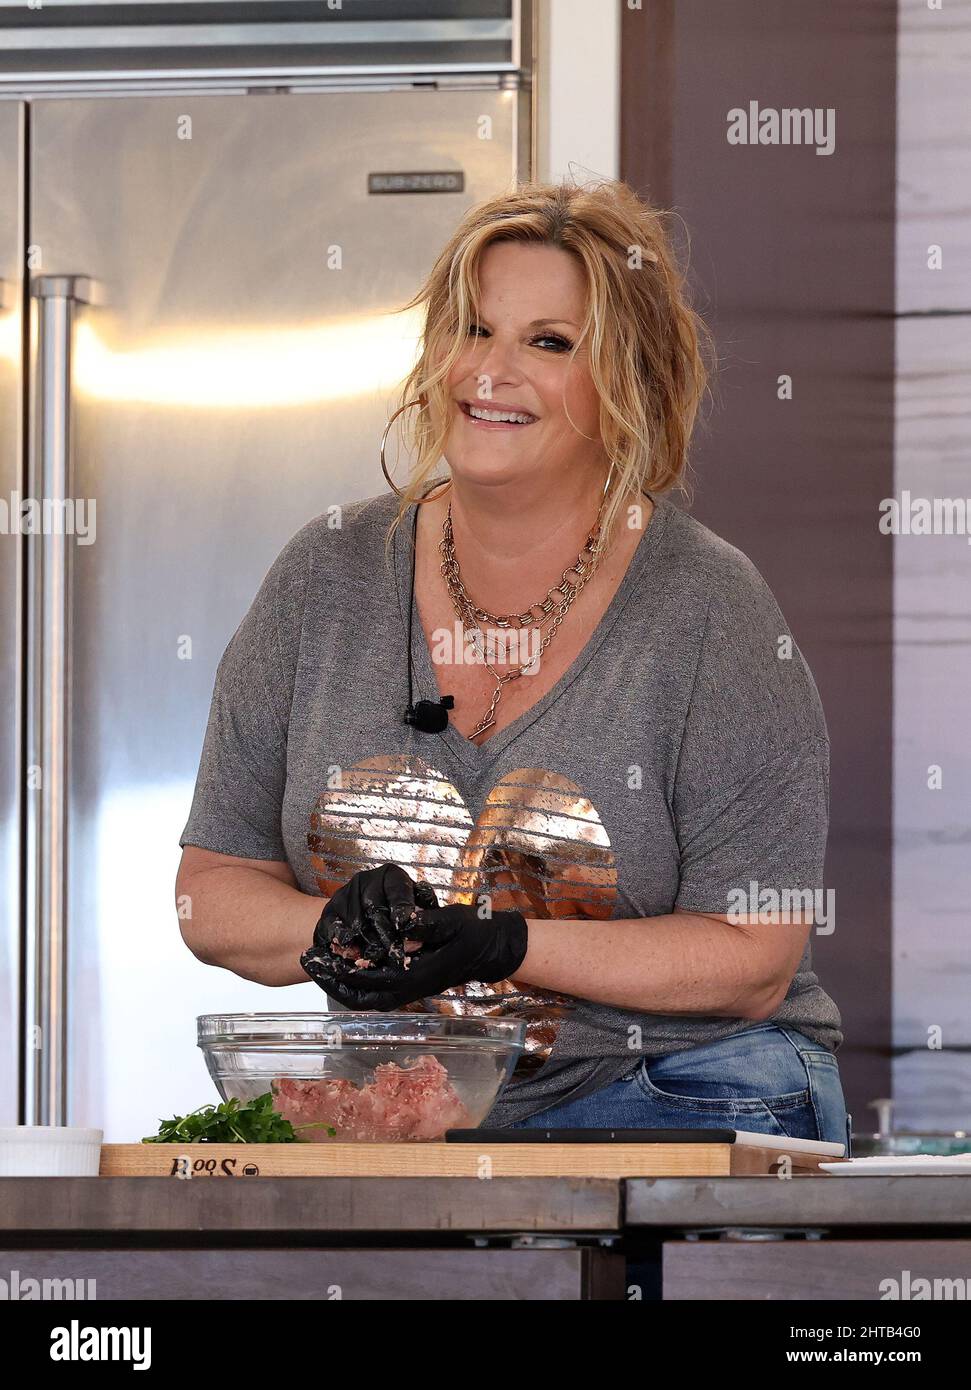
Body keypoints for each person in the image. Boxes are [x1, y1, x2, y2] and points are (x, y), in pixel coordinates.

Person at [176, 178, 849, 1148]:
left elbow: (752, 957)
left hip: (683, 1095)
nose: (488, 371)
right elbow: (214, 891)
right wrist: (329, 928)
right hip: (414, 1123)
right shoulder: (321, 576)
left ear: (625, 384)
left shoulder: (710, 612)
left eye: (546, 342)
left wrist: (503, 944)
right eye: (472, 329)